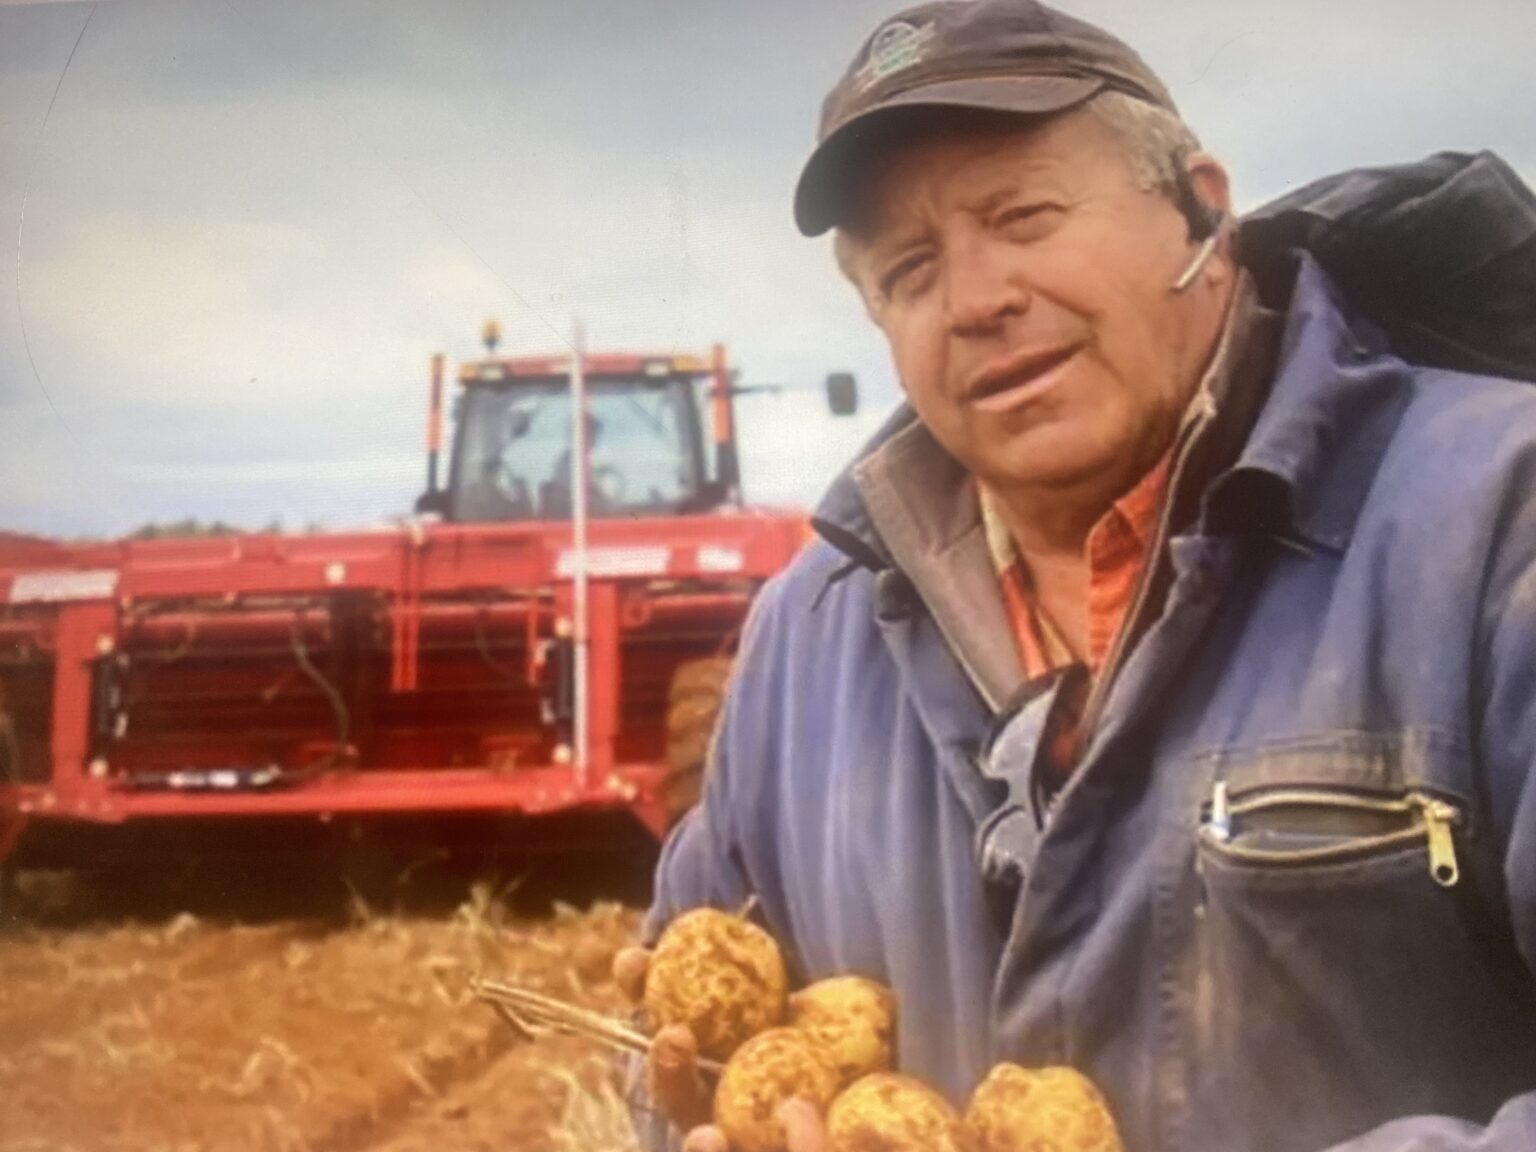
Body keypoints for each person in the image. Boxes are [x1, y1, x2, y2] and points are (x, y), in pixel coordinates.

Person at [618, 2, 1536, 1149]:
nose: (976, 300)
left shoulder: (1497, 524)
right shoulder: (805, 642)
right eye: (910, 269)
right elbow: (675, 1049)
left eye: (1025, 216)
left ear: (1203, 209)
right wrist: (687, 1110)